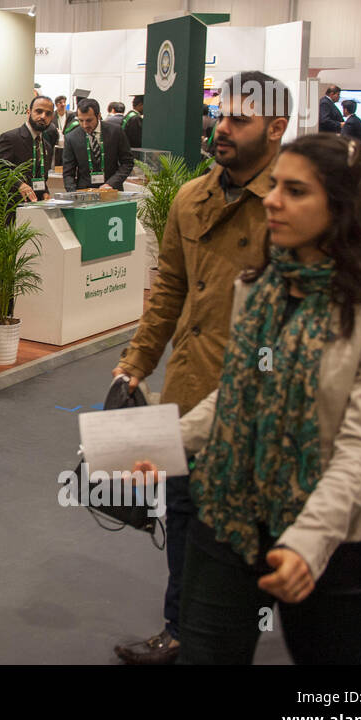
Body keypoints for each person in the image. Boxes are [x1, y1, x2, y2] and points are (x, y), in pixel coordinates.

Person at [158, 135, 361, 664]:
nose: (272, 200)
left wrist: (308, 542)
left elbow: (360, 450)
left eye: (295, 190)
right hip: (229, 517)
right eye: (275, 185)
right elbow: (235, 397)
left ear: (344, 208)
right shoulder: (257, 289)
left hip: (334, 543)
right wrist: (157, 443)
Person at [111, 70, 289, 664]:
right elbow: (168, 290)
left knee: (243, 536)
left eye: (240, 119)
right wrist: (135, 364)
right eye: (221, 116)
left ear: (277, 126)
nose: (223, 128)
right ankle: (179, 630)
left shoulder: (293, 206)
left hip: (258, 406)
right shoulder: (191, 197)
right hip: (187, 389)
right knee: (182, 518)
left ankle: (221, 638)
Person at [0, 94, 58, 202]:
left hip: (34, 209)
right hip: (8, 209)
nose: (43, 116)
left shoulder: (47, 146)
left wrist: (45, 192)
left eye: (48, 114)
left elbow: (41, 178)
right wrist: (19, 184)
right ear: (29, 112)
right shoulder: (10, 138)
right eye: (39, 111)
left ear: (52, 118)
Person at [61, 97, 133, 192]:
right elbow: (68, 173)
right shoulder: (71, 137)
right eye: (81, 120)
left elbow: (127, 162)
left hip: (112, 191)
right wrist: (73, 194)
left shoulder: (115, 132)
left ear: (98, 116)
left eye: (89, 120)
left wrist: (111, 183)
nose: (85, 125)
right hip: (84, 193)